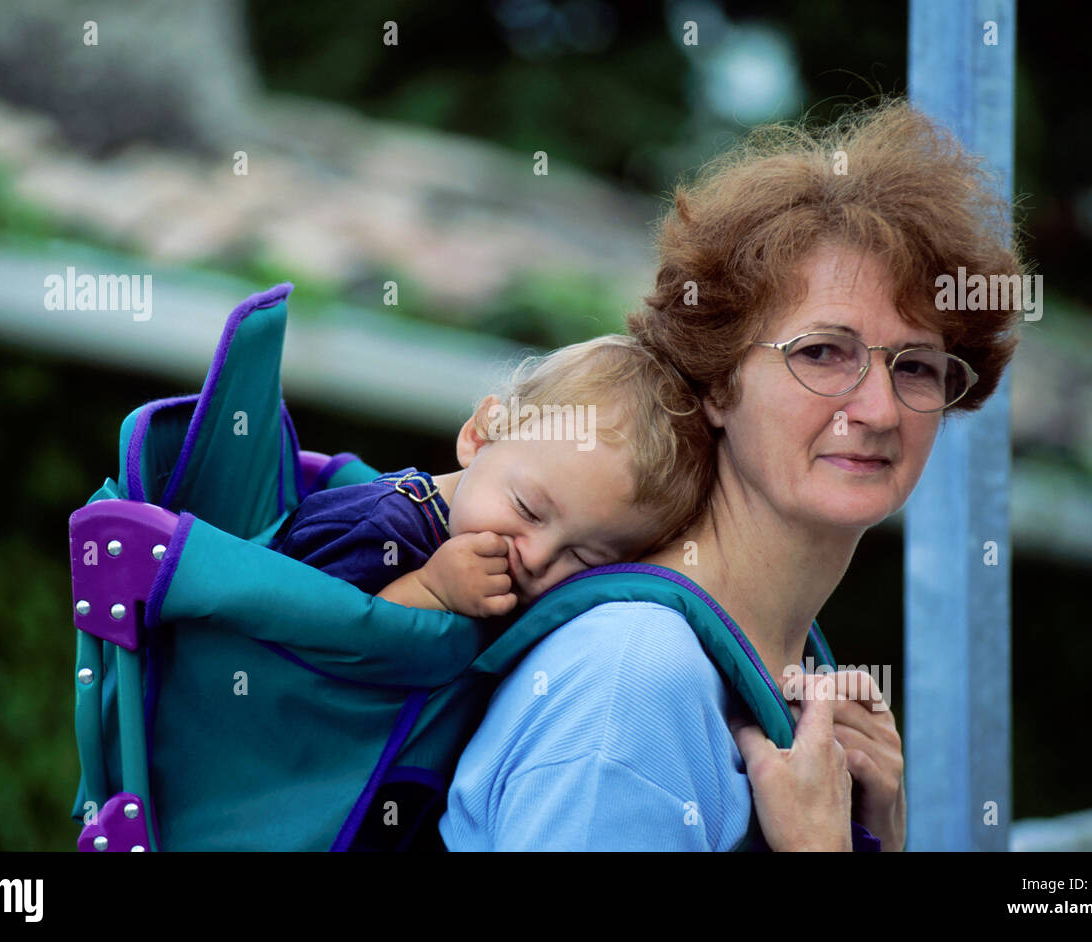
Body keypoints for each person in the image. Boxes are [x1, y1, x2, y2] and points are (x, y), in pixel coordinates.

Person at [438, 98, 1026, 851]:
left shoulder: (774, 666)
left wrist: (879, 836)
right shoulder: (634, 677)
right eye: (821, 353)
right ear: (717, 383)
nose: (878, 409)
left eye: (915, 367)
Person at [272, 333, 715, 620]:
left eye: (583, 557)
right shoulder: (375, 528)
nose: (538, 558)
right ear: (480, 435)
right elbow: (296, 631)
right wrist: (429, 591)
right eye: (528, 509)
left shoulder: (524, 590)